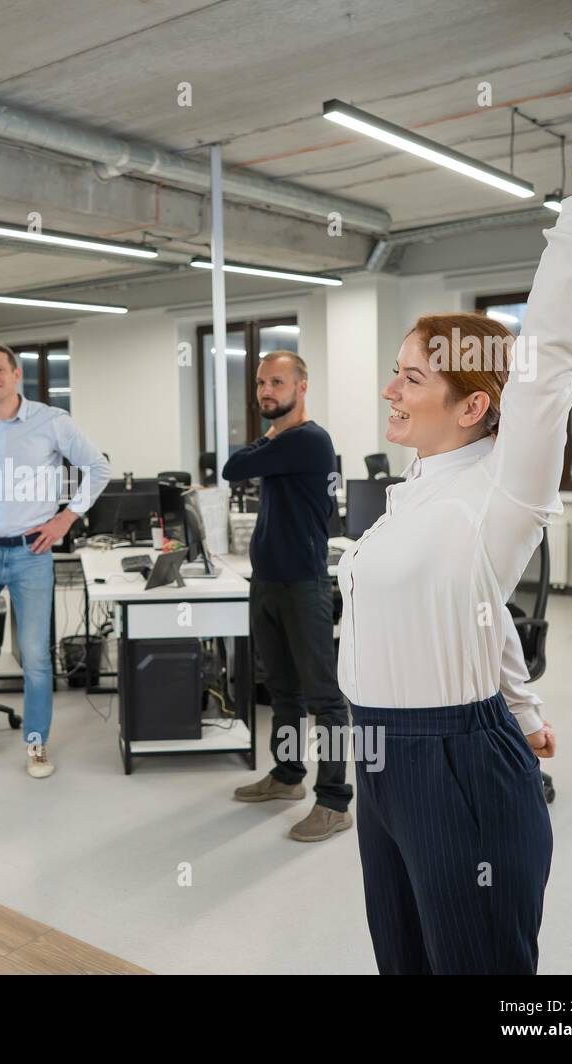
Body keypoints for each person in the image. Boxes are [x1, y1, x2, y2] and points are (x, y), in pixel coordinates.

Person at [337, 118, 572, 974]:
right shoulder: (417, 492)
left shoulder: (503, 489)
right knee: (403, 963)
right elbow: (473, 608)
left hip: (454, 767)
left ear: (473, 406)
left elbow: (549, 361)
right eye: (396, 372)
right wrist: (525, 708)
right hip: (378, 759)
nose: (390, 390)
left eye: (412, 377)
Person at [0, 343, 110, 784]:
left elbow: (97, 467)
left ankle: (35, 742)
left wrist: (66, 518)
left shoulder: (52, 421)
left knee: (35, 658)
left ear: (16, 375)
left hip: (32, 553)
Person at [222, 351, 353, 842]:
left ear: (302, 386)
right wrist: (271, 435)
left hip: (303, 585)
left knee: (324, 699)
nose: (265, 391)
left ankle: (335, 802)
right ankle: (287, 775)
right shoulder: (282, 442)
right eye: (261, 383)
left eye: (277, 382)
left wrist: (270, 436)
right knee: (282, 691)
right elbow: (241, 466)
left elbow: (234, 467)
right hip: (267, 583)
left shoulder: (309, 440)